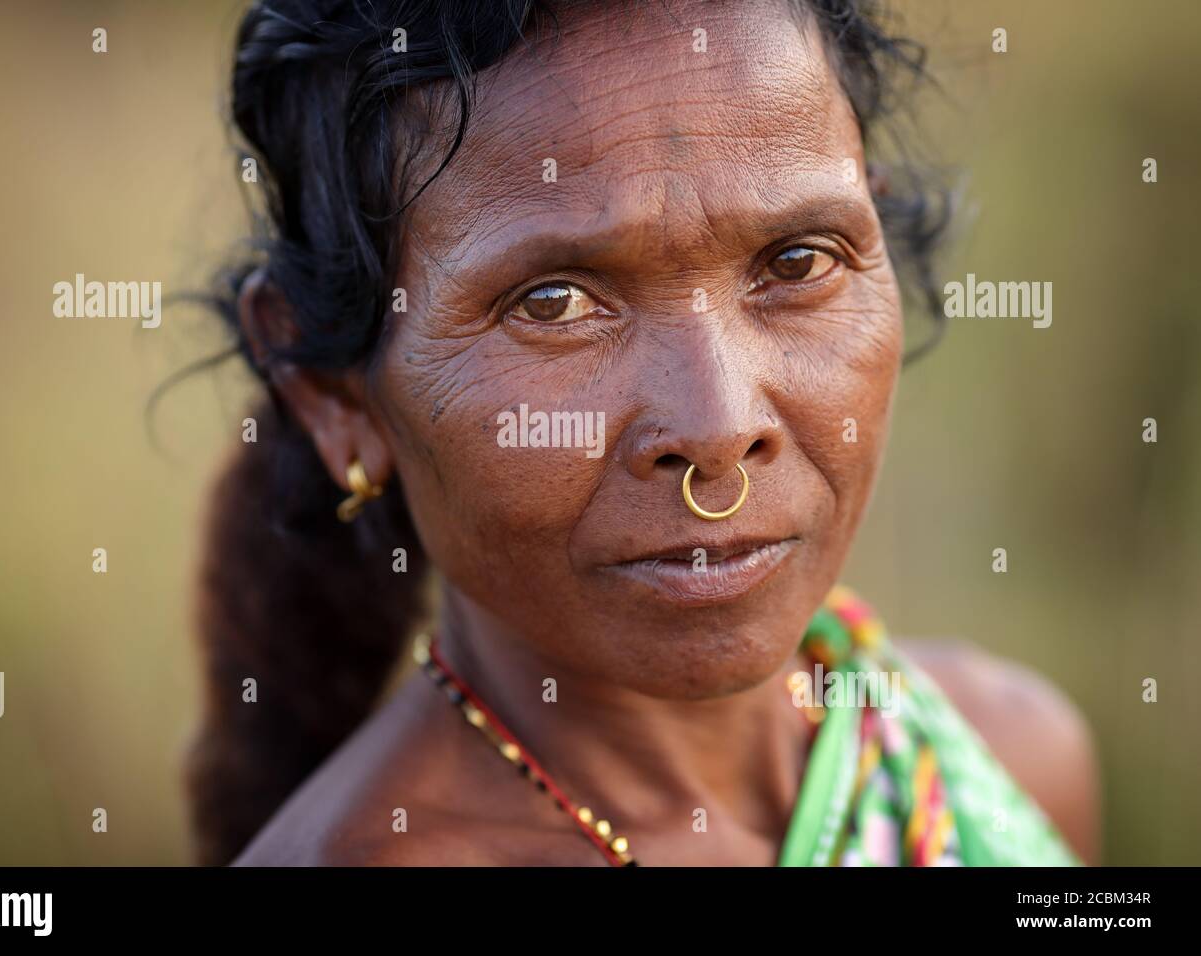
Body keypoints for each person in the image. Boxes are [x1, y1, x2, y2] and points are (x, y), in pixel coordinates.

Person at [186, 0, 1100, 866]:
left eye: (798, 260)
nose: (719, 426)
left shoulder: (1002, 759)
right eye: (553, 303)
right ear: (336, 398)